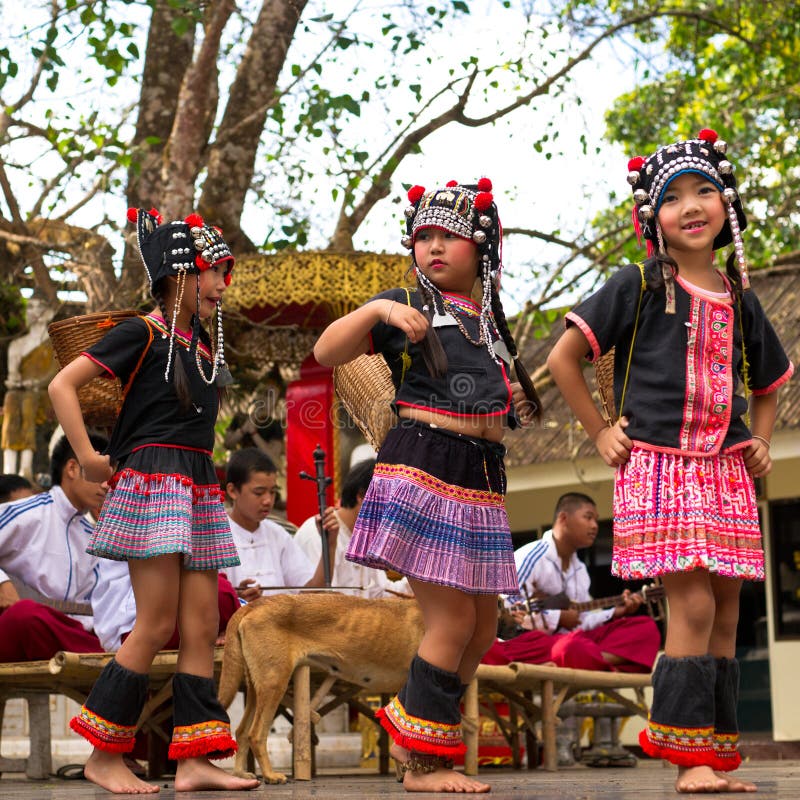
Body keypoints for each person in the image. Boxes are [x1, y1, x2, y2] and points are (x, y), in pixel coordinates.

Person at [547, 129, 793, 794]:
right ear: (650, 218)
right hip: (659, 464)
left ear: (726, 205)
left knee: (726, 609)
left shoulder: (739, 294)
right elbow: (563, 359)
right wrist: (600, 431)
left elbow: (770, 379)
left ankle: (713, 751)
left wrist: (764, 437)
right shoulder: (637, 284)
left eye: (703, 191)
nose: (690, 205)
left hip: (726, 468)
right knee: (689, 605)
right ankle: (688, 759)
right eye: (672, 197)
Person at [314, 178, 542, 794]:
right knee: (450, 620)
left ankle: (418, 731)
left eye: (450, 236)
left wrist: (508, 398)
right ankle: (422, 763)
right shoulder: (408, 305)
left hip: (481, 474)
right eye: (424, 236)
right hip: (425, 464)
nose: (435, 247)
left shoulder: (490, 321)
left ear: (482, 246)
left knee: (484, 627)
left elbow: (491, 400)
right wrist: (377, 310)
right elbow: (326, 349)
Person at [48, 208, 258, 794]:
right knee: (156, 621)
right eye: (214, 272)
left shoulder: (201, 344)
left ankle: (193, 760)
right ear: (178, 275)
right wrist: (90, 455)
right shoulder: (142, 332)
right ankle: (102, 754)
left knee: (199, 628)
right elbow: (60, 384)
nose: (222, 284)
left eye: (224, 273)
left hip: (195, 483)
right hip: (152, 481)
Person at [483, 493, 661, 673]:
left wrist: (614, 612)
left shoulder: (580, 570)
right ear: (563, 518)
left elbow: (581, 621)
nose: (595, 526)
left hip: (567, 641)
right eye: (588, 517)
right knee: (569, 647)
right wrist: (557, 618)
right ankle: (592, 661)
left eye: (596, 520)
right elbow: (504, 611)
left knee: (645, 628)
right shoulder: (532, 556)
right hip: (534, 644)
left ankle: (585, 659)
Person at [0, 435, 108, 661]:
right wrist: (2, 583)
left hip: (59, 637)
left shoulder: (93, 540)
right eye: (102, 476)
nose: (107, 486)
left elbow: (97, 606)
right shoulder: (27, 513)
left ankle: (115, 669)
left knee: (122, 638)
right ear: (72, 469)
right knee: (25, 616)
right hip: (17, 629)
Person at [224, 447, 338, 599]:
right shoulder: (213, 536)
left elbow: (311, 595)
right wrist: (234, 599)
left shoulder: (278, 535)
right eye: (259, 493)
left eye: (272, 492)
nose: (268, 500)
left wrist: (329, 545)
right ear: (232, 491)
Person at [294, 458, 411, 598]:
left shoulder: (367, 534)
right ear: (362, 496)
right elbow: (322, 600)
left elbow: (381, 593)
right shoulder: (317, 533)